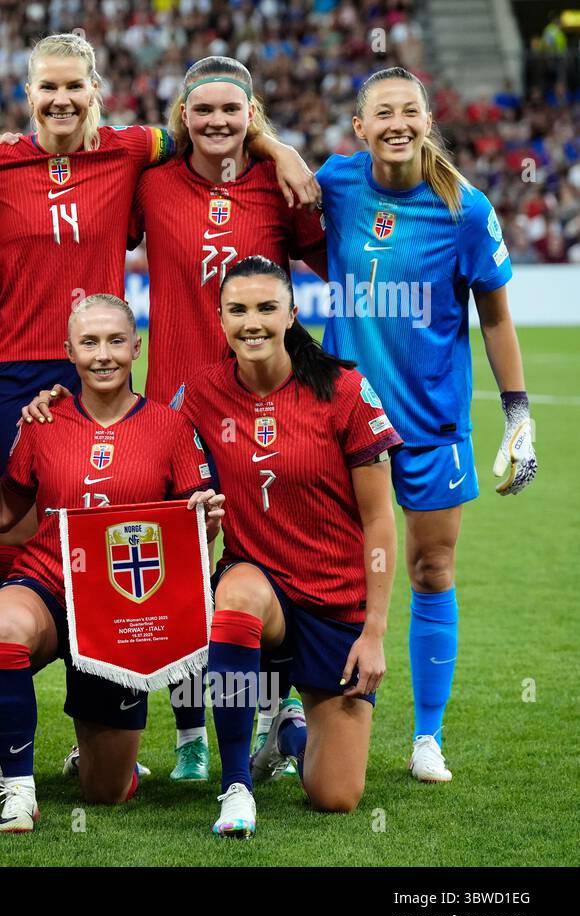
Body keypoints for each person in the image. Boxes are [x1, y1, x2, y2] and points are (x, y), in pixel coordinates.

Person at [0, 34, 315, 786]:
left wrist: (276, 145)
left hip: (101, 360)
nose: (61, 99)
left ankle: (196, 725)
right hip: (18, 371)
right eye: (47, 88)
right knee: (9, 547)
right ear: (26, 95)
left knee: (158, 543)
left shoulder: (133, 150)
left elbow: (206, 117)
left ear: (96, 91)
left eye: (74, 87)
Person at [318, 67, 537, 783]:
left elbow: (497, 320)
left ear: (427, 119)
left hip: (433, 424)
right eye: (382, 112)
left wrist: (518, 415)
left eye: (409, 110)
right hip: (347, 428)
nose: (397, 123)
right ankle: (305, 725)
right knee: (331, 577)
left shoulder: (464, 210)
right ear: (359, 126)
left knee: (430, 569)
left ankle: (427, 739)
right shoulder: (338, 186)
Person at [127, 55, 330, 782]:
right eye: (202, 109)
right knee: (183, 571)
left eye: (231, 110)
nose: (216, 122)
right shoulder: (150, 183)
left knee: (265, 557)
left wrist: (283, 153)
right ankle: (189, 737)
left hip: (262, 407)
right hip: (177, 409)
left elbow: (334, 262)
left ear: (252, 115)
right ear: (182, 116)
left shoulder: (277, 186)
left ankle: (278, 708)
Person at [0, 293, 220, 832]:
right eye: (89, 342)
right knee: (2, 623)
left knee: (107, 793)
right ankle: (17, 788)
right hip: (49, 580)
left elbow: (192, 531)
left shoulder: (171, 427)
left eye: (114, 341)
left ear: (136, 346)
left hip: (121, 608)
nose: (103, 354)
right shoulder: (41, 421)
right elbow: (3, 509)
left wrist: (209, 520)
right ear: (69, 351)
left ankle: (96, 757)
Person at [179, 256, 399, 836]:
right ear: (221, 317)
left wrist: (373, 631)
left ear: (293, 314)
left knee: (335, 796)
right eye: (238, 310)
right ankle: (235, 788)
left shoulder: (346, 391)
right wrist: (53, 405)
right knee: (236, 598)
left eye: (266, 308)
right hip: (261, 585)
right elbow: (139, 434)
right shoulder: (201, 394)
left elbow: (379, 521)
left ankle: (289, 733)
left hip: (336, 601)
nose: (252, 322)